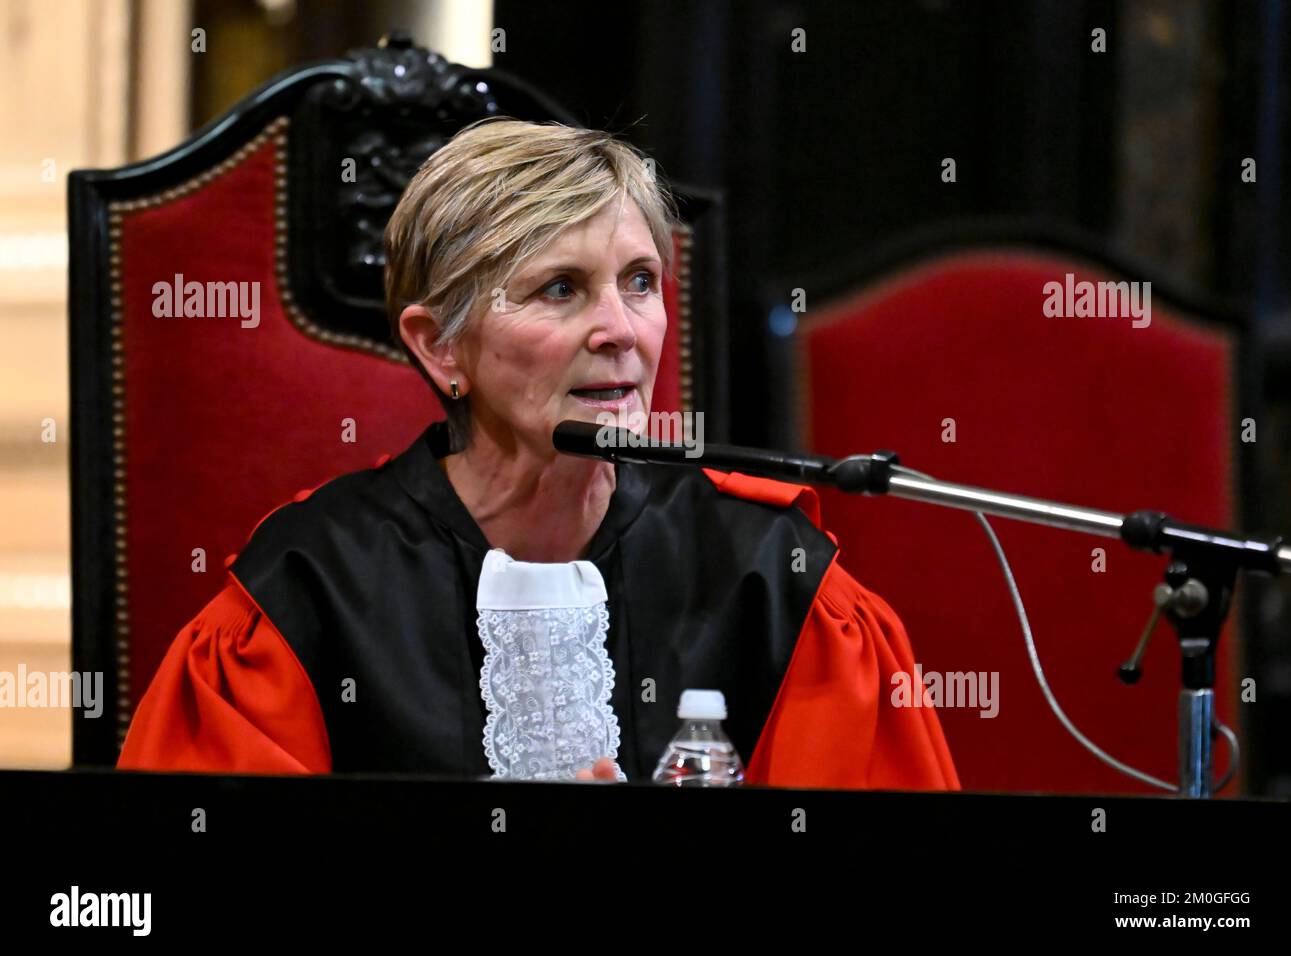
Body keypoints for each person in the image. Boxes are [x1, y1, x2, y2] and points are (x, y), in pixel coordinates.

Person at [116, 118, 960, 790]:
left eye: (639, 282)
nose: (623, 331)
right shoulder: (311, 590)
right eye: (561, 288)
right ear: (440, 346)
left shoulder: (773, 580)